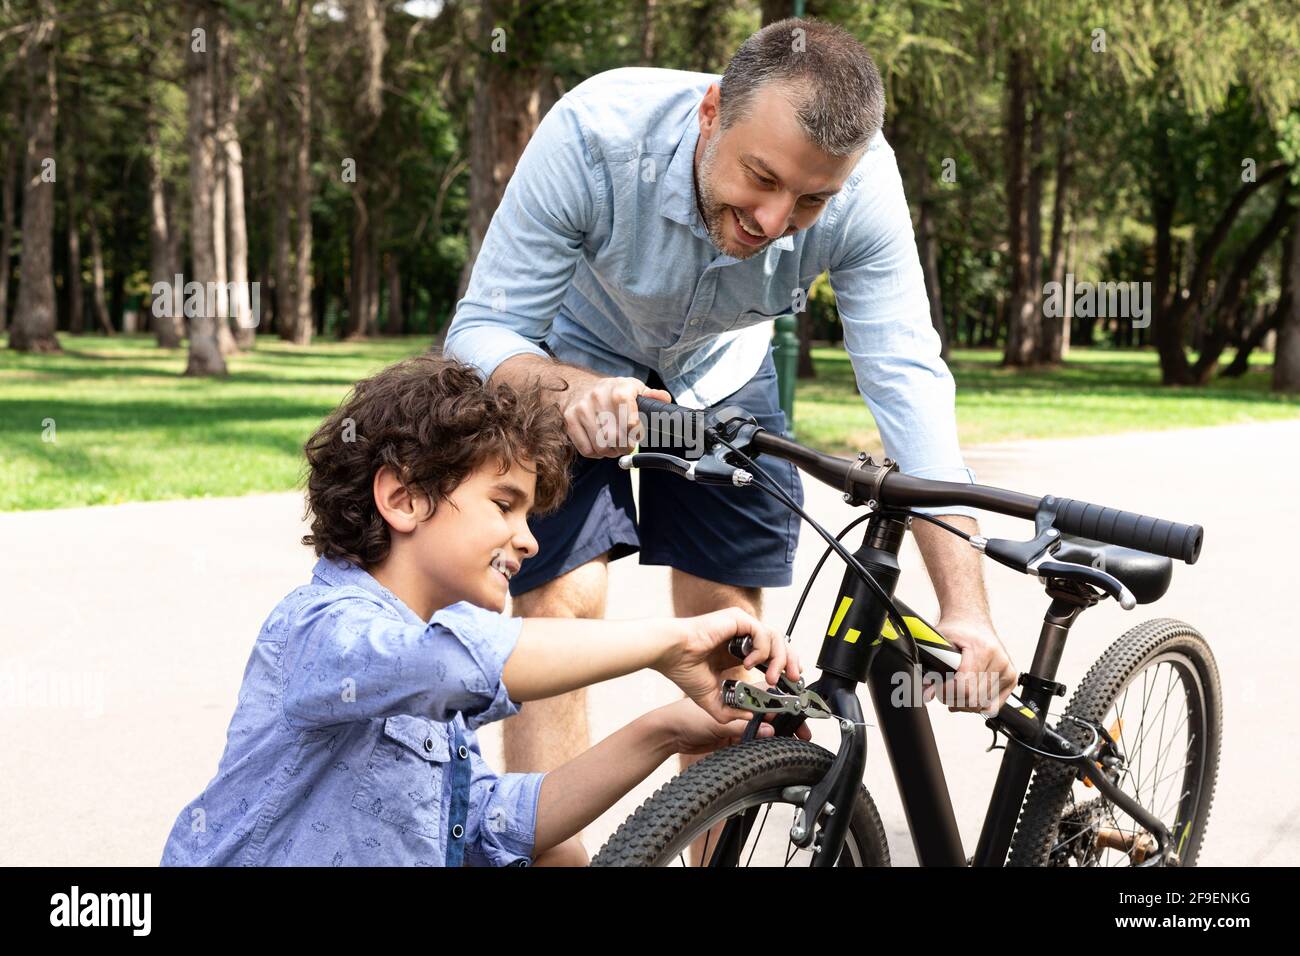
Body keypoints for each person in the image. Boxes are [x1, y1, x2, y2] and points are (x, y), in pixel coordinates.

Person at [444, 15, 1018, 842]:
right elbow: (484, 329)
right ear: (711, 112)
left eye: (811, 199)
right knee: (559, 601)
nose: (775, 221)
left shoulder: (865, 192)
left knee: (729, 641)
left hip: (723, 369)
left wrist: (965, 609)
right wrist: (571, 388)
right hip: (566, 355)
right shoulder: (594, 133)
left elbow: (909, 385)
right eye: (761, 177)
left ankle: (704, 849)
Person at [159, 354, 802, 867]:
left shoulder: (440, 637)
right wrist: (671, 641)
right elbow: (448, 667)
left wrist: (665, 732)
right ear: (404, 499)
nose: (528, 539)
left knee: (558, 853)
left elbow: (494, 821)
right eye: (504, 505)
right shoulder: (323, 625)